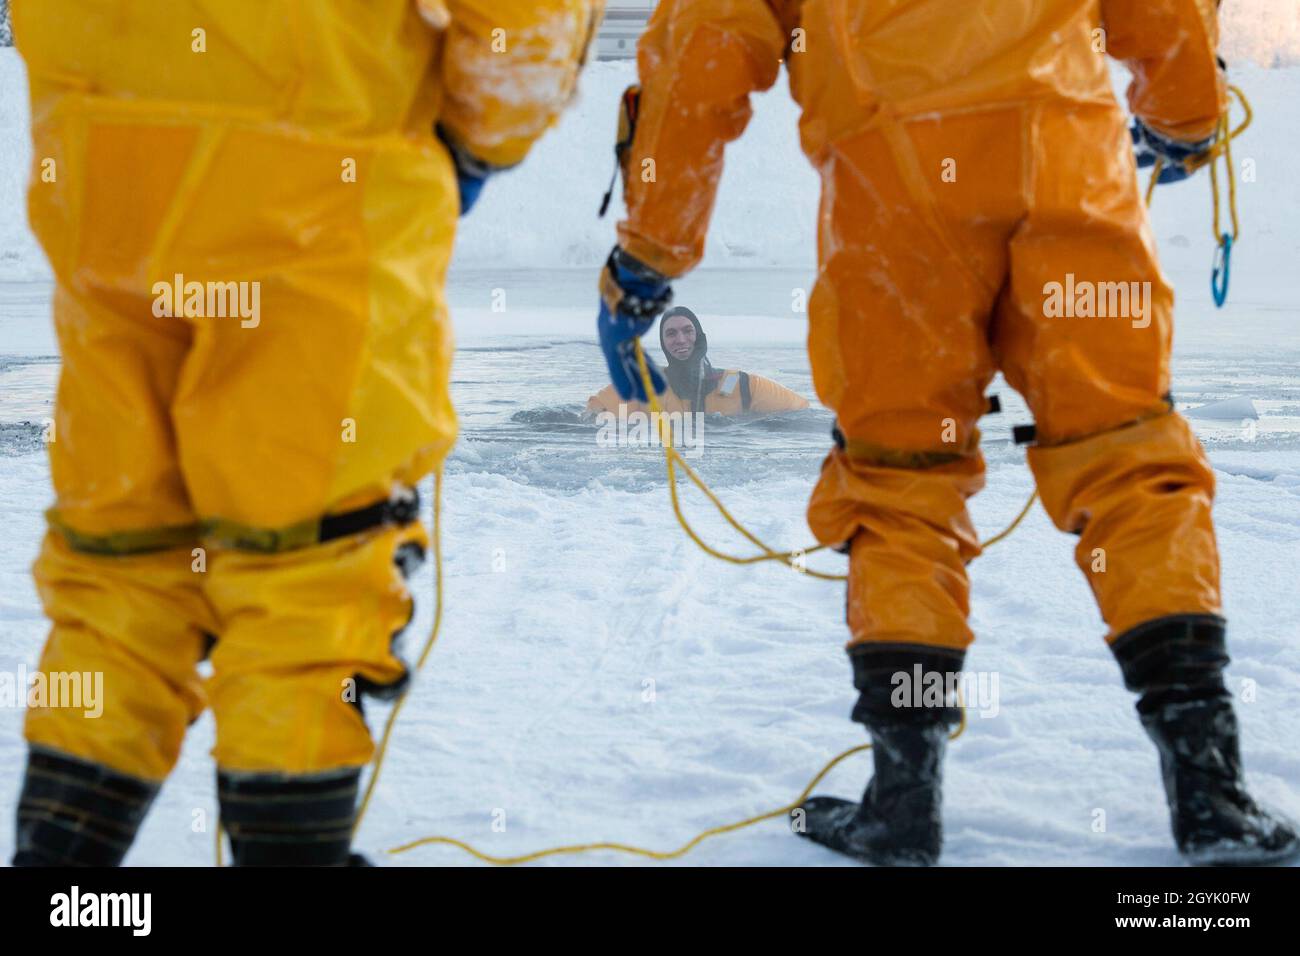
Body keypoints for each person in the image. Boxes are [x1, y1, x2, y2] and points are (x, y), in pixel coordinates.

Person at [594, 0, 1298, 866]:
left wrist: (650, 250)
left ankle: (904, 800)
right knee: (1129, 454)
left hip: (895, 182)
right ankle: (1212, 794)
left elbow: (704, 46)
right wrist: (1187, 114)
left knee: (900, 478)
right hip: (1069, 163)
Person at [11, 0, 600, 867]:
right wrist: (478, 139)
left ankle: (59, 881)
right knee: (307, 561)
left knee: (124, 557)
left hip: (103, 159)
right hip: (312, 166)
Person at [585, 306, 809, 416]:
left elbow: (802, 411)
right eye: (671, 334)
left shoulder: (740, 385)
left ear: (699, 336)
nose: (680, 339)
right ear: (663, 343)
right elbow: (594, 409)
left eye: (687, 331)